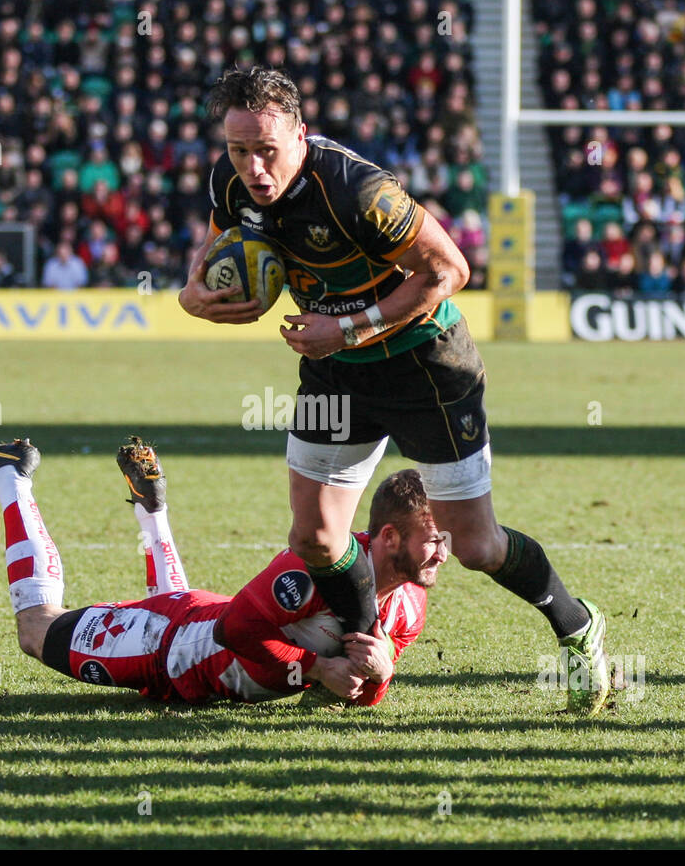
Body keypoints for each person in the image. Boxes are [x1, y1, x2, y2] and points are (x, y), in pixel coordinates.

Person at [177, 66, 612, 713]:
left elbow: (450, 270)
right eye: (240, 150)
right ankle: (363, 646)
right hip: (336, 371)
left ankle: (577, 625)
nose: (254, 168)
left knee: (476, 546)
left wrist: (347, 328)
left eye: (267, 150)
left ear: (300, 134)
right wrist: (191, 291)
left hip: (424, 366)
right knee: (316, 539)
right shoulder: (231, 179)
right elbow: (218, 239)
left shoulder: (359, 191)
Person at [0, 436, 443, 706]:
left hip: (193, 630)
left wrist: (380, 677)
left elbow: (350, 692)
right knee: (37, 629)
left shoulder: (410, 605)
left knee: (184, 622)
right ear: (390, 537)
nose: (445, 550)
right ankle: (10, 474)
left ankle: (153, 510)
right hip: (165, 648)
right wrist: (316, 667)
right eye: (434, 538)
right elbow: (235, 629)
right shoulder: (315, 568)